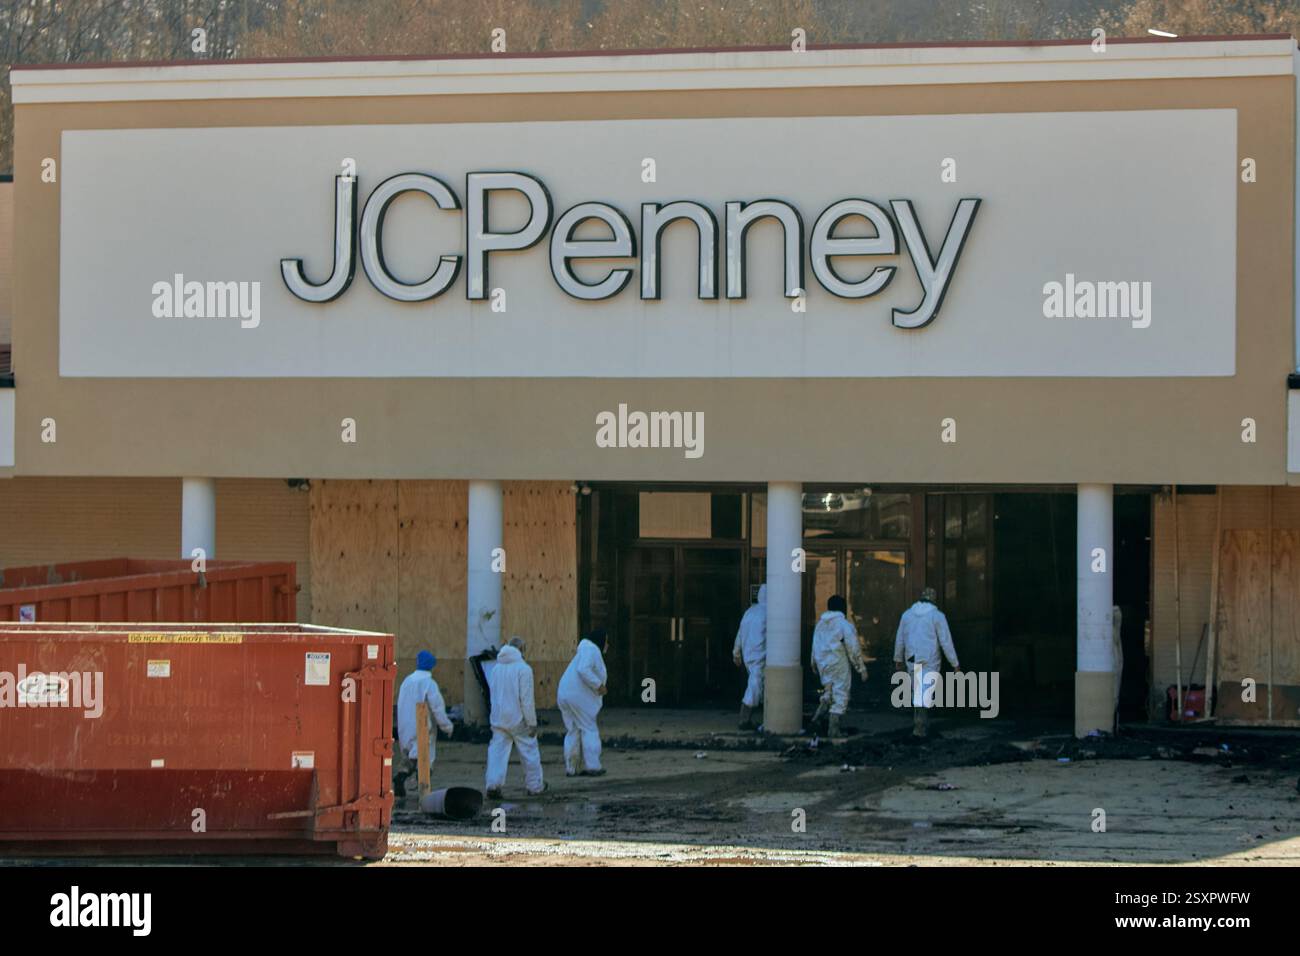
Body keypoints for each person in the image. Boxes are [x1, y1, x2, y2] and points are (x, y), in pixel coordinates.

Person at [893, 586, 960, 739]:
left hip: (912, 658)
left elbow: (900, 639)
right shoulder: (937, 616)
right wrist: (955, 663)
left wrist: (898, 659)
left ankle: (920, 724)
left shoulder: (907, 615)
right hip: (930, 658)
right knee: (926, 691)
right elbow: (946, 641)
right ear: (933, 599)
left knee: (916, 690)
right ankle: (920, 727)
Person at [485, 636, 546, 798]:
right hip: (518, 719)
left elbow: (493, 694)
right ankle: (535, 786)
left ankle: (493, 785)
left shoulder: (496, 668)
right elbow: (526, 699)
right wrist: (531, 722)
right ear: (521, 650)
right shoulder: (524, 669)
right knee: (529, 751)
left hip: (499, 719)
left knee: (497, 753)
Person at [394, 650, 456, 799]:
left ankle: (400, 778)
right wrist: (447, 727)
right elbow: (437, 708)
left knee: (408, 757)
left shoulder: (407, 681)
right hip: (422, 726)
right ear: (432, 666)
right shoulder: (429, 683)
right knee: (425, 758)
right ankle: (423, 791)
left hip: (404, 726)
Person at [810, 594, 867, 737]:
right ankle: (833, 729)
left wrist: (814, 663)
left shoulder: (820, 624)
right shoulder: (844, 624)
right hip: (838, 663)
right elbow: (853, 648)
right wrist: (861, 668)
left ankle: (816, 719)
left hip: (823, 664)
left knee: (829, 692)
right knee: (841, 694)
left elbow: (815, 645)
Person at [557, 628, 610, 777]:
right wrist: (598, 684)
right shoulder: (592, 650)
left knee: (573, 730)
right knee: (589, 728)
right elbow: (583, 669)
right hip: (577, 697)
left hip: (565, 694)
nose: (607, 644)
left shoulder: (584, 649)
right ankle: (593, 766)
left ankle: (571, 768)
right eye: (606, 641)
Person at [732, 584, 767, 730]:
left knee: (757, 685)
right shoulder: (770, 612)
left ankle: (758, 719)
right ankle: (744, 718)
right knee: (755, 686)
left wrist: (736, 653)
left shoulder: (750, 612)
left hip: (748, 655)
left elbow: (740, 634)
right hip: (761, 655)